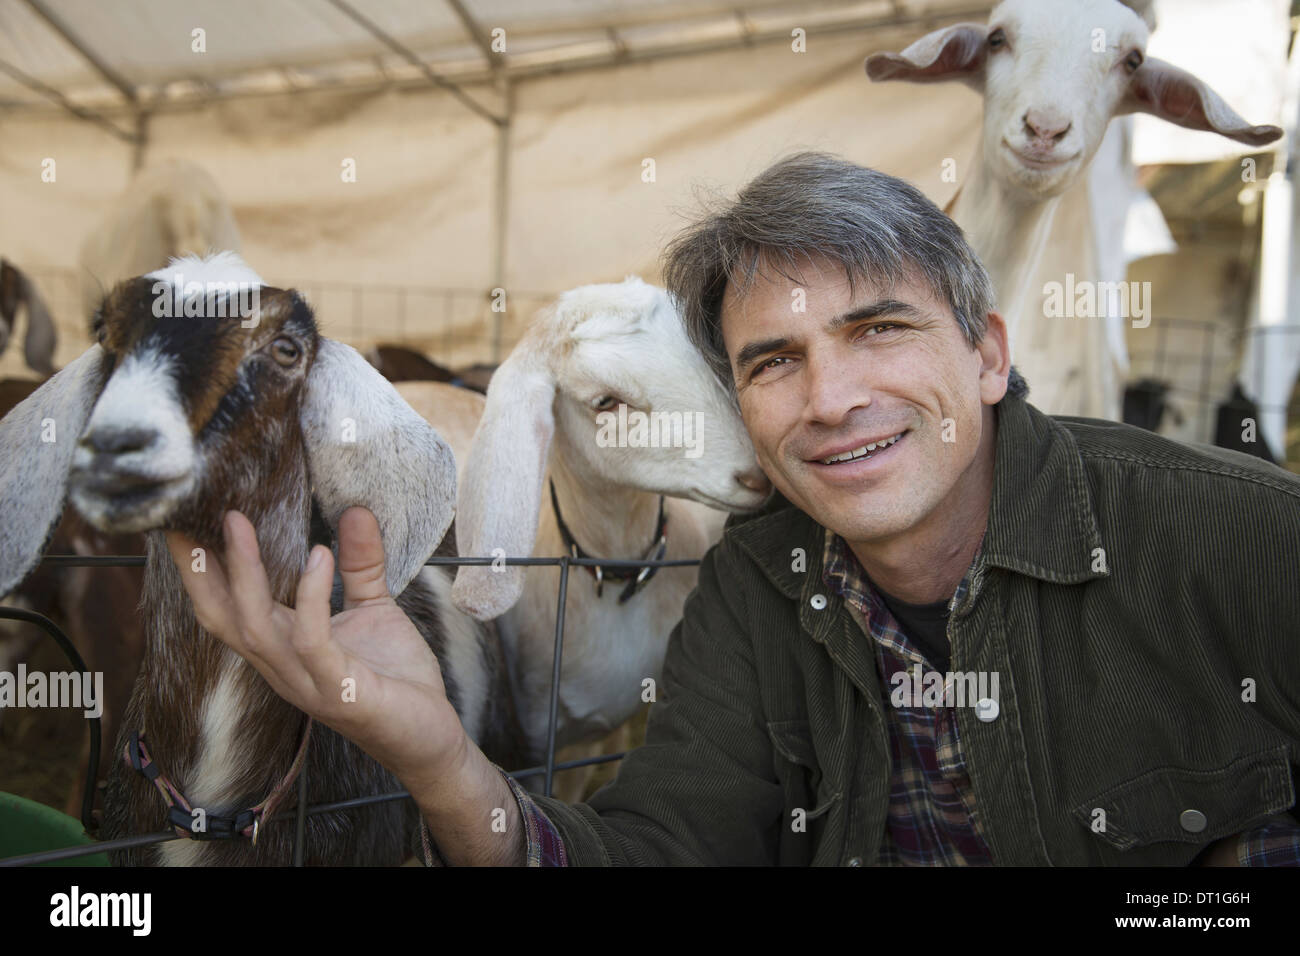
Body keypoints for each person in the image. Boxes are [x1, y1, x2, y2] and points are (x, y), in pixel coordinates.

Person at [166, 153, 1300, 866]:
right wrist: (442, 757)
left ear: (989, 353)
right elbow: (654, 846)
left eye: (879, 329)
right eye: (771, 360)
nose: (832, 397)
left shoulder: (1234, 541)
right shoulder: (755, 584)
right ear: (731, 404)